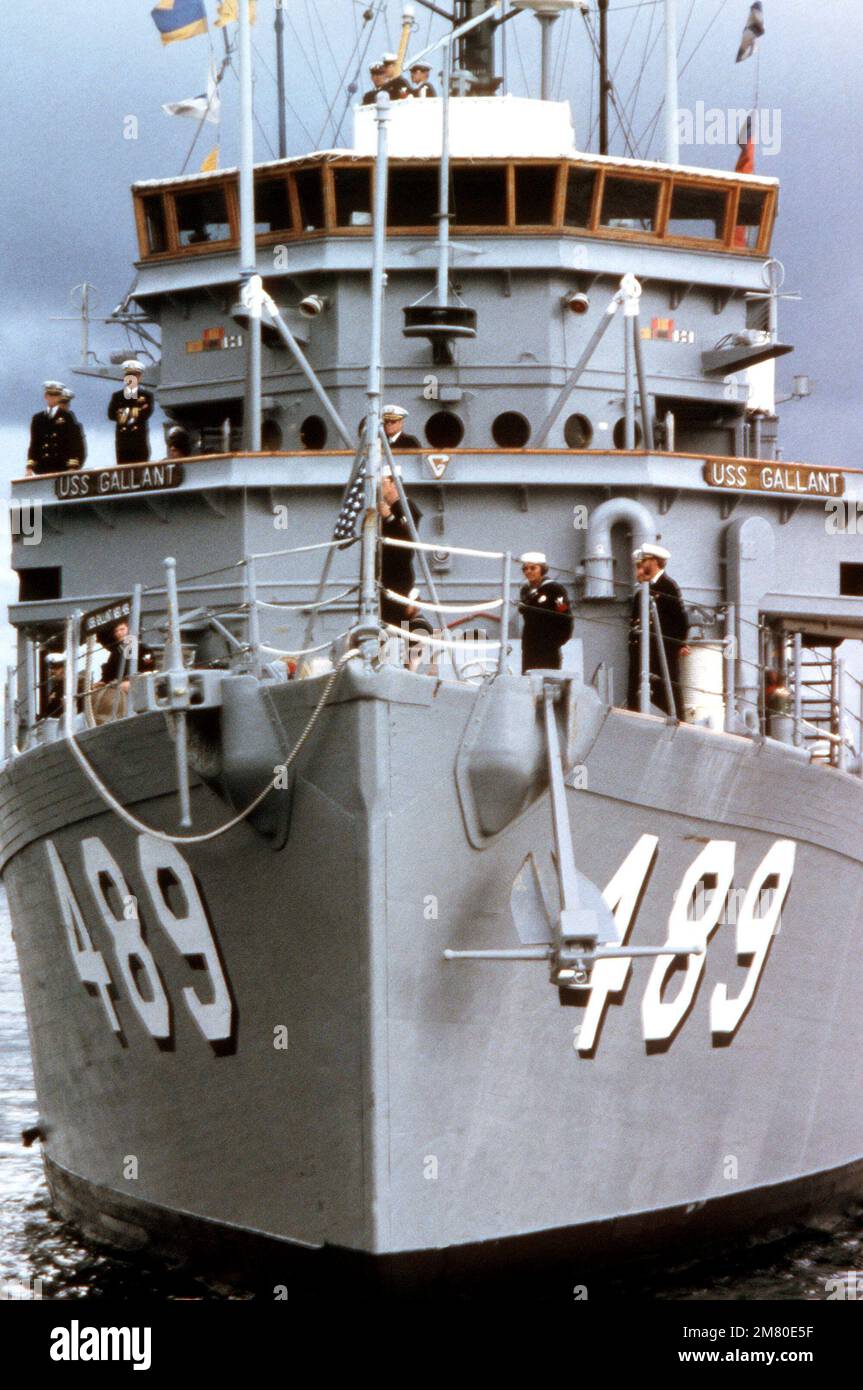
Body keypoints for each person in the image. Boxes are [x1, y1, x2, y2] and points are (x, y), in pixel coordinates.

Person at [627, 543, 690, 717]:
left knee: (665, 694)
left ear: (654, 562)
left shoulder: (667, 586)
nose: (639, 566)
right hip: (641, 654)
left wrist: (679, 644)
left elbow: (680, 620)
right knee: (638, 694)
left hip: (661, 653)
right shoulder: (642, 592)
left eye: (643, 561)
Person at [378, 465, 422, 627]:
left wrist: (388, 517)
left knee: (396, 623)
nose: (380, 487)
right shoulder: (392, 509)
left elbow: (405, 543)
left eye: (383, 483)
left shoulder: (407, 508)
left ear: (393, 484)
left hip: (399, 578)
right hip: (386, 577)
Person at [518, 552, 574, 673]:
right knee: (528, 679)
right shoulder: (525, 590)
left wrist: (557, 641)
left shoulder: (554, 589)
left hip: (549, 645)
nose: (528, 571)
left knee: (548, 679)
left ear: (542, 569)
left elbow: (565, 615)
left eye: (533, 568)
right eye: (525, 569)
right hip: (530, 644)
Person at [27, 381, 86, 475]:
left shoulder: (66, 417)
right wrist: (30, 467)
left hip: (61, 466)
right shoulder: (37, 418)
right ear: (46, 396)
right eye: (51, 395)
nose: (53, 398)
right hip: (42, 466)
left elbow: (73, 443)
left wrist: (73, 466)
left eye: (57, 395)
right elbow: (34, 443)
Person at [107, 359, 155, 464]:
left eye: (134, 375)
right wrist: (136, 411)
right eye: (129, 375)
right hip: (123, 444)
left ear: (139, 377)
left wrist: (123, 413)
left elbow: (146, 414)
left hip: (139, 443)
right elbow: (110, 415)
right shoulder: (117, 396)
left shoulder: (147, 396)